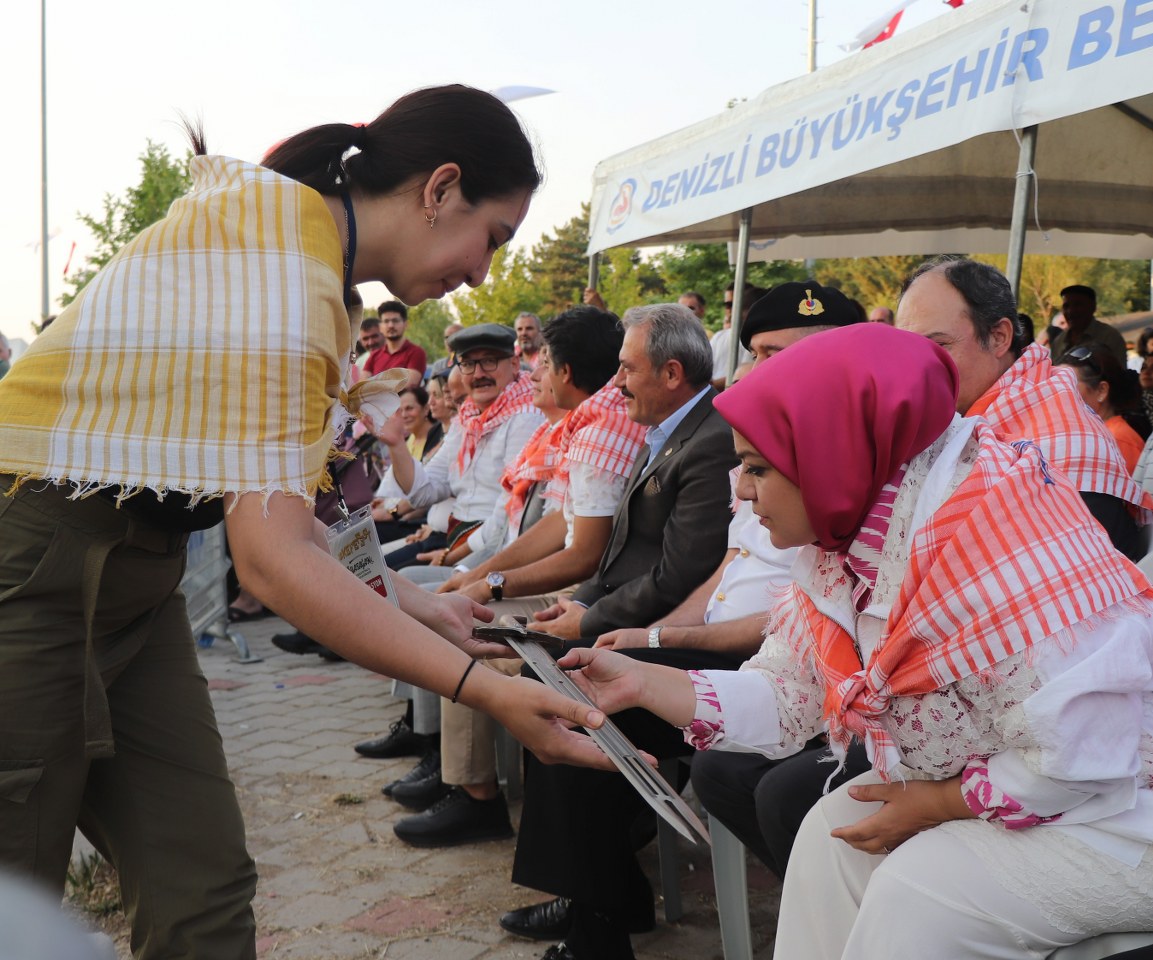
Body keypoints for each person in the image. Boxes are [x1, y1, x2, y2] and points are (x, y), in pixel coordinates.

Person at [0, 84, 611, 960]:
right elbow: (274, 562)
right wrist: (485, 692)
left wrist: (418, 603)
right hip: (30, 565)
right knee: (16, 893)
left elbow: (283, 525)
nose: (481, 273)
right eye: (493, 237)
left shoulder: (294, 248)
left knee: (203, 892)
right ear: (440, 188)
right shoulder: (284, 267)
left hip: (135, 579)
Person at [561, 323, 1153, 960]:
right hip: (1039, 785)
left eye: (757, 467)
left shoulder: (994, 545)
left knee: (917, 892)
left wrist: (934, 803)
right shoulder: (852, 543)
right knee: (830, 830)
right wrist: (641, 680)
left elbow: (1082, 754)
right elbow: (788, 694)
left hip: (1120, 811)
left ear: (832, 456)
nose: (741, 490)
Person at [390, 306, 647, 847]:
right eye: (469, 364)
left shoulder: (593, 427)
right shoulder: (583, 421)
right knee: (448, 606)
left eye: (541, 362)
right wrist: (481, 575)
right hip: (529, 564)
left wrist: (489, 582)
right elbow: (554, 522)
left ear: (566, 373)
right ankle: (450, 766)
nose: (534, 373)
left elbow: (581, 553)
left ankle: (475, 794)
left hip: (588, 594)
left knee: (463, 630)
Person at [1057, 345, 1146, 473]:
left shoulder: (1117, 439)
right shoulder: (1096, 436)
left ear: (1101, 391)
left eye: (1067, 386)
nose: (1058, 394)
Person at [1049, 284, 1128, 366]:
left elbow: (1119, 372)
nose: (1071, 311)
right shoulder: (1058, 342)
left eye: (1078, 305)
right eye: (1066, 306)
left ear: (1093, 307)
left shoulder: (1110, 337)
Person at [363, 301, 427, 386]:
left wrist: (375, 386)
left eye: (395, 321)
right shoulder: (374, 356)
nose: (391, 325)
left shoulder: (416, 353)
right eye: (386, 321)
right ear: (380, 327)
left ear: (405, 324)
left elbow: (409, 385)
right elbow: (362, 387)